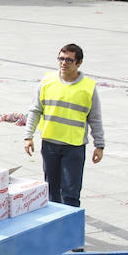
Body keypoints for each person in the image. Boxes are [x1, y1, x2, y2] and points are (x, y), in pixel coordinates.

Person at [24, 44, 104, 211]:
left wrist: (99, 145)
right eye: (61, 58)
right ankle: (55, 221)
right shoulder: (47, 81)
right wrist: (28, 136)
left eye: (69, 60)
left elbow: (95, 118)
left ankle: (71, 222)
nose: (64, 63)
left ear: (79, 63)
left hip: (74, 147)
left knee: (70, 193)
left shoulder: (88, 87)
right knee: (52, 190)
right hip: (50, 145)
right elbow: (35, 110)